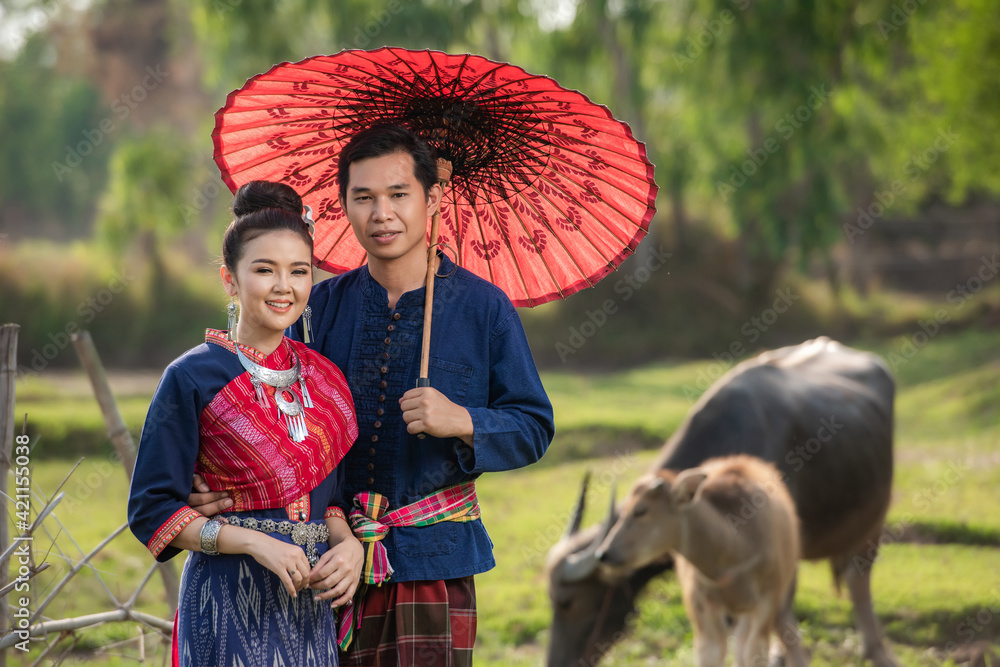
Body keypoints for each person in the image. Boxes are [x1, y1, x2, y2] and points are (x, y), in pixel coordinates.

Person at [190, 124, 555, 666]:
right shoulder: (316, 308)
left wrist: (463, 421)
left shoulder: (484, 309)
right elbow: (266, 416)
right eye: (363, 197)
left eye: (398, 194)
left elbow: (533, 426)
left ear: (432, 198)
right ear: (344, 205)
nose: (381, 213)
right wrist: (218, 488)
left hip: (431, 567)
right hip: (318, 563)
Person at [128, 183, 364, 667]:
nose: (285, 286)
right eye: (264, 270)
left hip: (308, 604)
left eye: (299, 271)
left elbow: (333, 499)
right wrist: (257, 543)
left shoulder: (325, 378)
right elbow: (152, 509)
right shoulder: (193, 377)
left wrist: (350, 548)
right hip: (227, 599)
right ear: (229, 280)